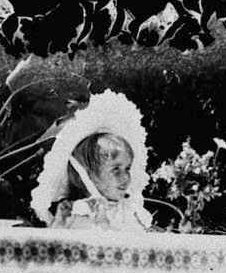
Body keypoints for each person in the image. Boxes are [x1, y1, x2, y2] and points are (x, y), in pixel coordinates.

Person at [31, 90, 153, 232]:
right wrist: (60, 221)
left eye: (127, 168)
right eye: (116, 169)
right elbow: (60, 242)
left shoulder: (131, 210)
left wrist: (106, 223)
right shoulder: (82, 209)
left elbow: (138, 240)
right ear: (90, 176)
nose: (125, 177)